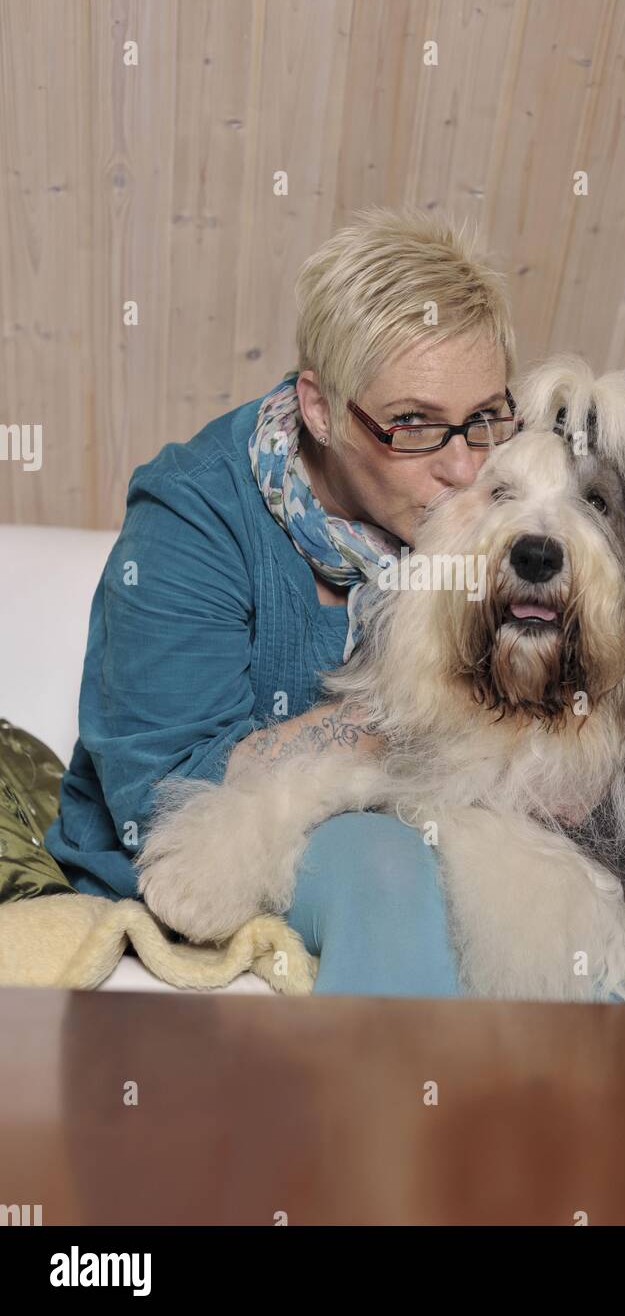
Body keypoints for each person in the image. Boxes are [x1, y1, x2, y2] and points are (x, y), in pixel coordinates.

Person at [44, 206, 518, 997]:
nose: (466, 470)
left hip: (424, 818)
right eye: (413, 425)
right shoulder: (190, 518)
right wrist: (418, 709)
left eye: (485, 420)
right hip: (209, 852)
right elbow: (164, 793)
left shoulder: (494, 502)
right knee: (385, 868)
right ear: (321, 409)